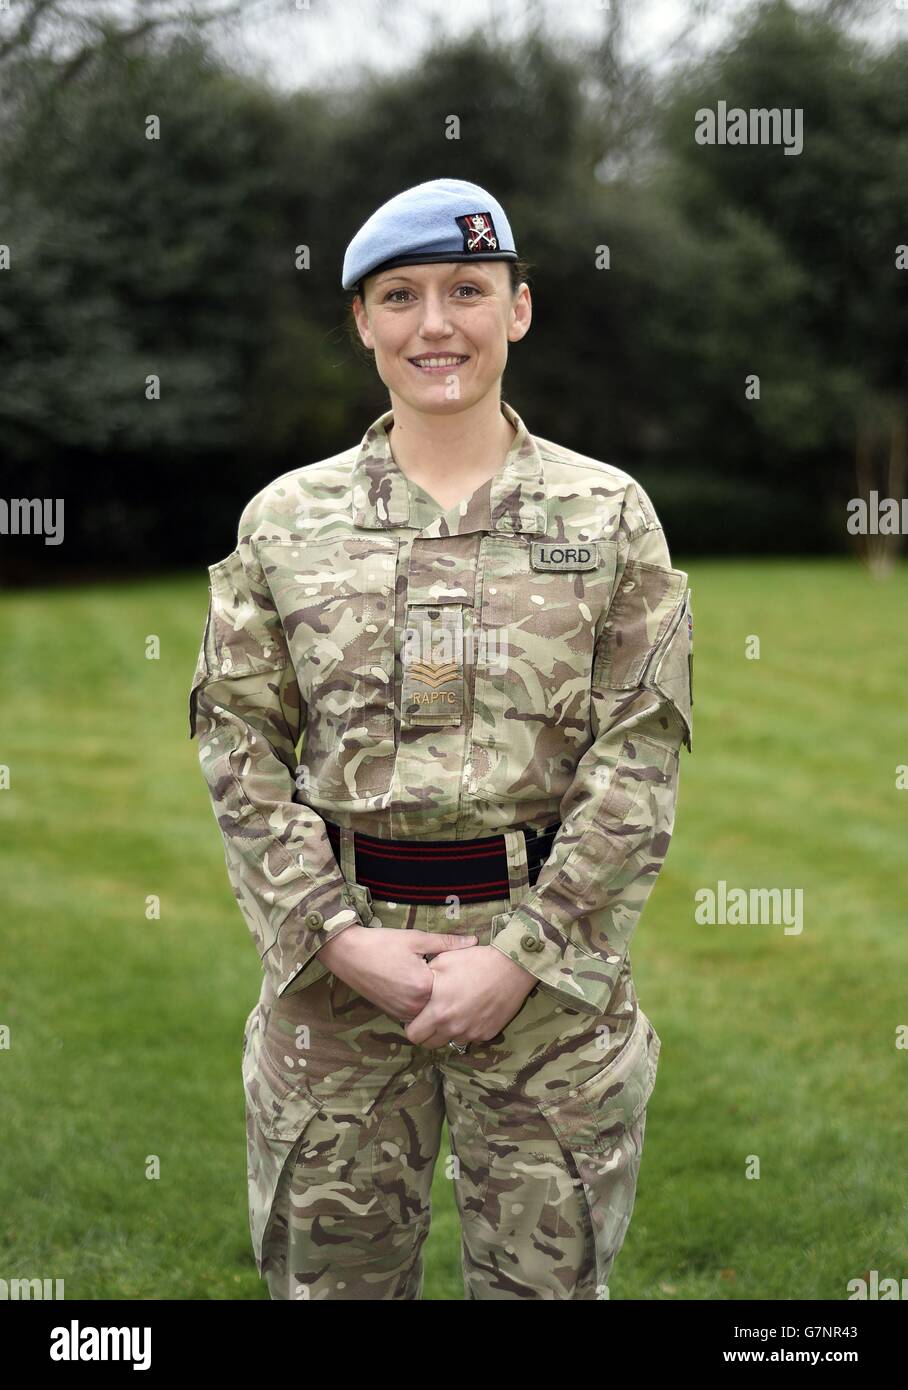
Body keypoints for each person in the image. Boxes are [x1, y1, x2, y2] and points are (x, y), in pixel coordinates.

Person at [189, 176, 693, 1301]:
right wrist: (331, 936)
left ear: (516, 309)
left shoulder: (608, 514)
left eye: (466, 289)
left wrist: (523, 953)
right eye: (400, 295)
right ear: (362, 322)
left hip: (547, 982)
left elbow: (639, 753)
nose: (435, 324)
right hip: (337, 974)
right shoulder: (285, 521)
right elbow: (237, 747)